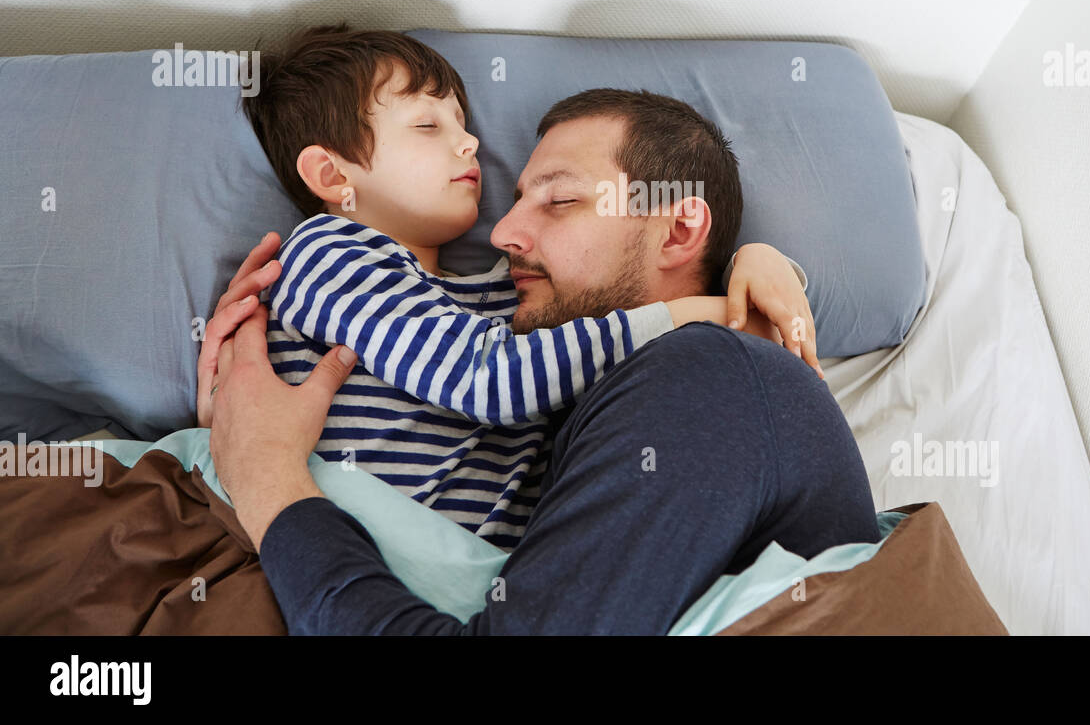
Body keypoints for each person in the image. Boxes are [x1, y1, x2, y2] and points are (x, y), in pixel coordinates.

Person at [204, 86, 882, 634]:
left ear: (678, 228)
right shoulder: (597, 389)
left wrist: (265, 479)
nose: (501, 233)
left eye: (558, 199)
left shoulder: (710, 375)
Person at [220, 24, 814, 550]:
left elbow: (601, 293)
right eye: (427, 124)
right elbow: (489, 378)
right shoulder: (329, 253)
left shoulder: (503, 298)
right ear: (332, 175)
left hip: (471, 579)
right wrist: (690, 314)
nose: (470, 142)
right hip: (357, 545)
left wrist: (754, 262)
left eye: (463, 122)